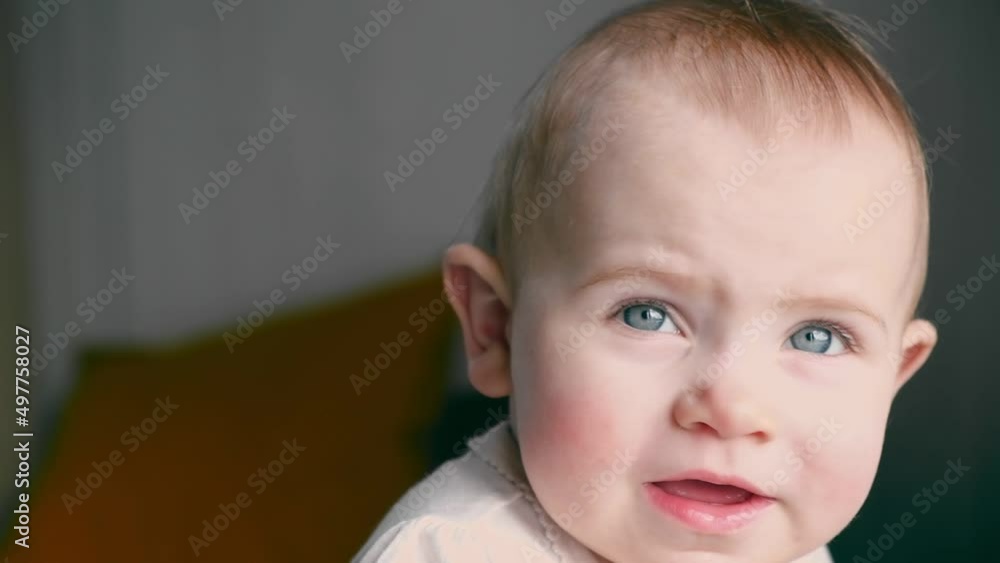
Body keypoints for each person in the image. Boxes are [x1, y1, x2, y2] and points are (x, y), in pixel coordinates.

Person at [354, 1, 938, 561]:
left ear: (895, 374)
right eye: (647, 315)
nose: (732, 410)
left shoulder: (789, 544)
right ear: (497, 329)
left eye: (818, 337)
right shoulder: (450, 551)